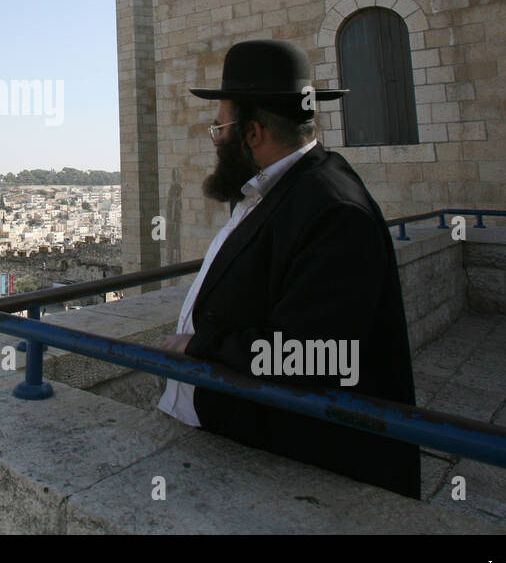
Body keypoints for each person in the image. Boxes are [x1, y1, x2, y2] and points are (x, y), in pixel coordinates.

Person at [158, 39, 419, 499]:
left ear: (252, 133)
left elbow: (318, 355)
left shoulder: (332, 210)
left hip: (296, 471)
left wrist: (202, 343)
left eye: (218, 129)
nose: (215, 140)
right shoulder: (275, 191)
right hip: (244, 445)